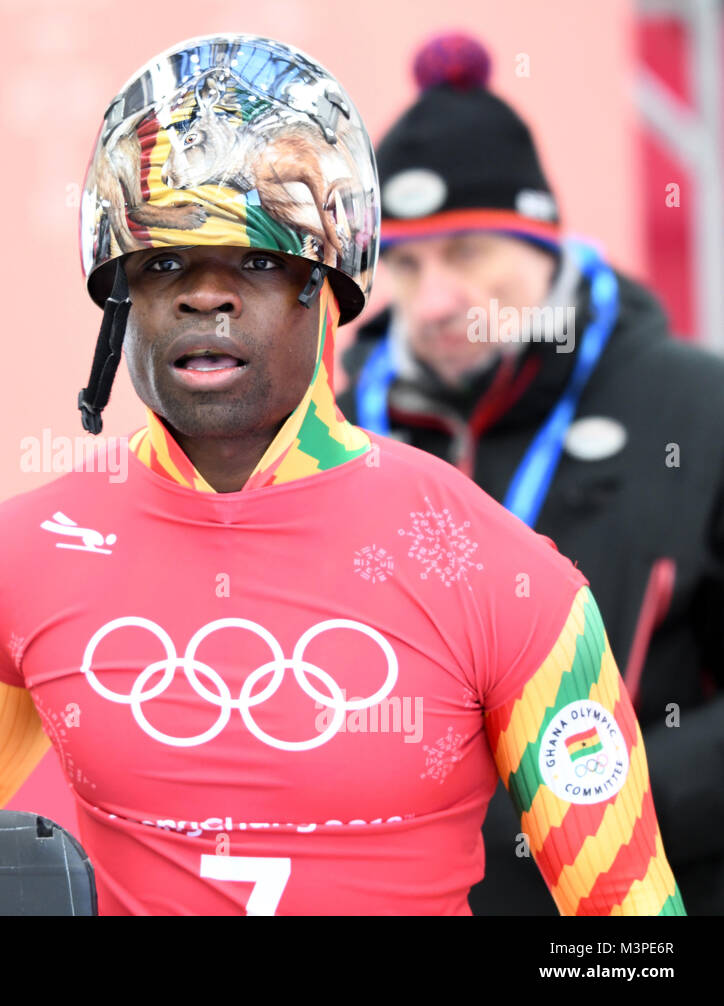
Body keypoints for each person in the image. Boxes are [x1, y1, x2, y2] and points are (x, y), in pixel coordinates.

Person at [0, 32, 685, 915]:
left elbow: (626, 919)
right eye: (165, 265)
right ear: (119, 300)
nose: (204, 297)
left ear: (328, 287)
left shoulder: (507, 577)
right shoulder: (30, 550)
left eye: (253, 263)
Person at [336, 33, 724, 914]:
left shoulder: (698, 411)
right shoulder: (342, 424)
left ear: (546, 242)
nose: (433, 300)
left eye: (469, 254)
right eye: (405, 264)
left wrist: (581, 802)